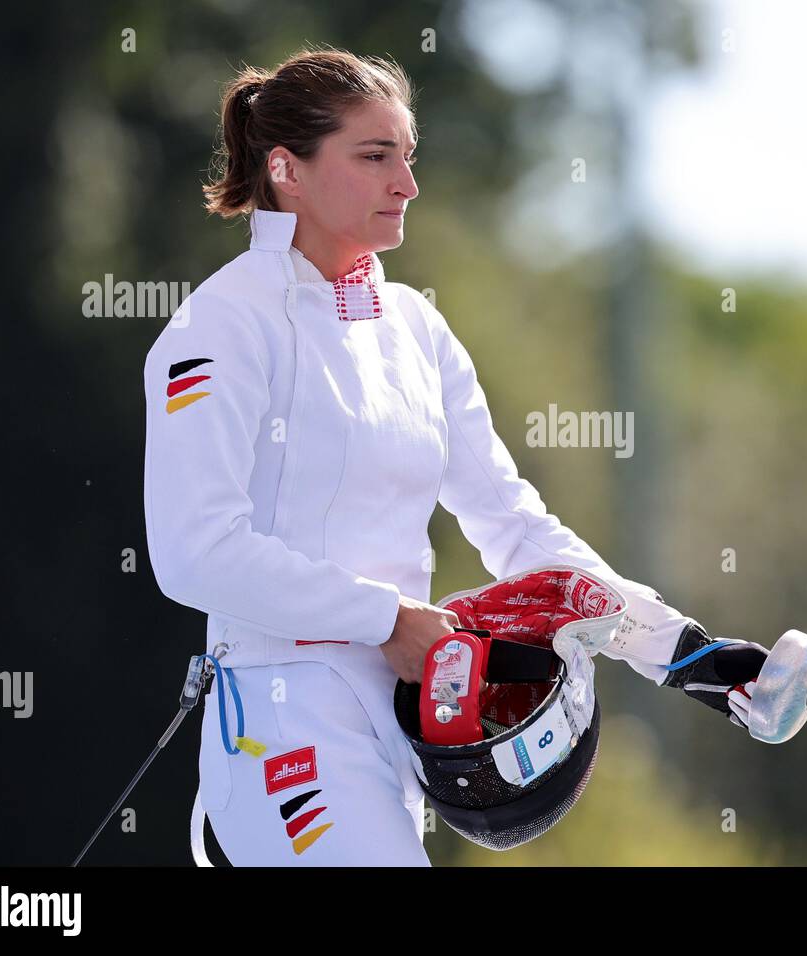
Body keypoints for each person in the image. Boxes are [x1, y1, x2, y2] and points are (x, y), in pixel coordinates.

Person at [143, 48, 763, 867]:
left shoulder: (414, 328)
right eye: (375, 158)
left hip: (407, 725)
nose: (407, 185)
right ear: (288, 171)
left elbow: (512, 524)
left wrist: (681, 650)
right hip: (277, 732)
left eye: (408, 156)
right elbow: (195, 554)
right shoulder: (220, 325)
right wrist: (388, 620)